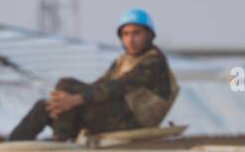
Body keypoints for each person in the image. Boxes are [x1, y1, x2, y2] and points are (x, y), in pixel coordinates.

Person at [9, 8, 180, 141]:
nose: (130, 39)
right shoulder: (123, 60)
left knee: (66, 85)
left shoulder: (153, 62)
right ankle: (7, 148)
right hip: (114, 116)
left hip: (132, 123)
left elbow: (116, 87)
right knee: (45, 107)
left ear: (149, 35)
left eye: (137, 33)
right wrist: (65, 102)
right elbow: (100, 84)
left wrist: (74, 99)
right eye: (126, 34)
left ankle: (61, 139)